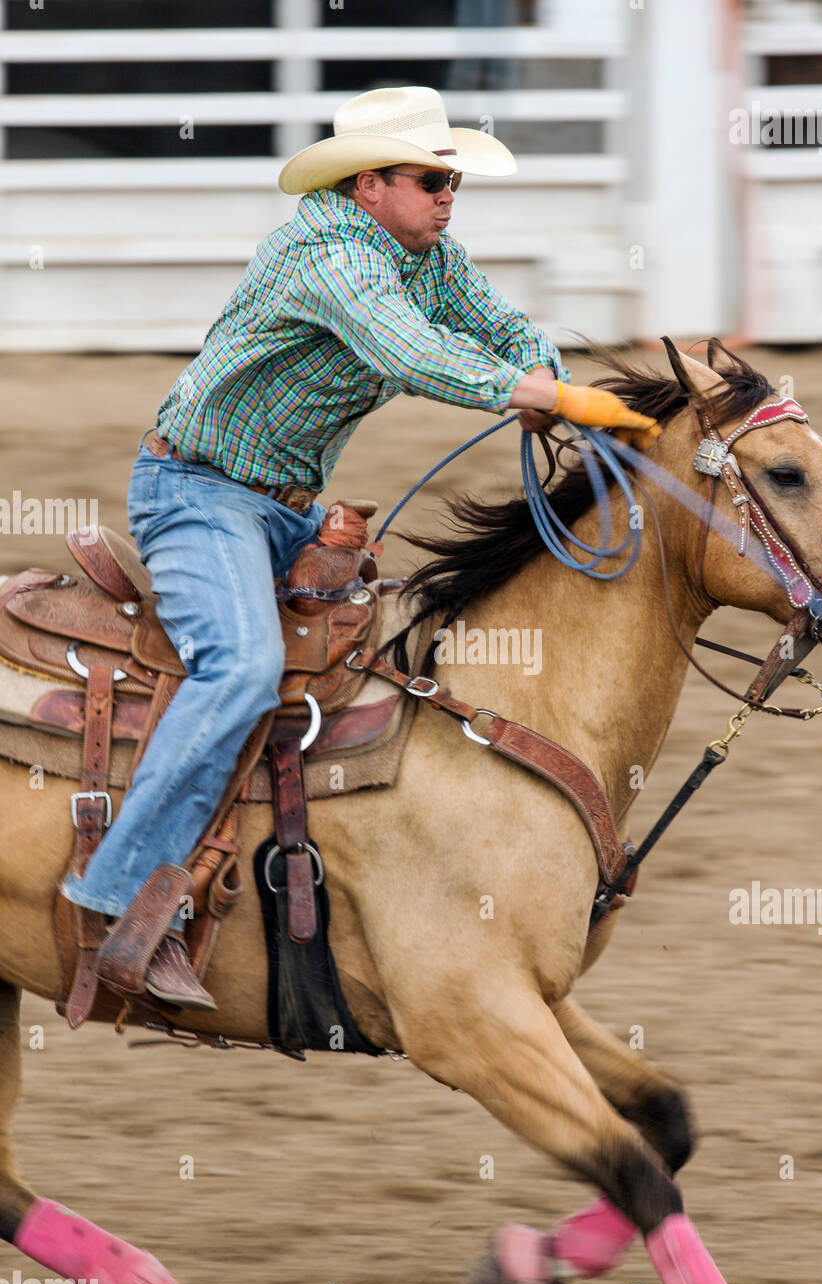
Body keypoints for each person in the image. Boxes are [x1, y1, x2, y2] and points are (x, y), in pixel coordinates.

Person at [58, 85, 658, 1011]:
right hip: (196, 496)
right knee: (243, 665)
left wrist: (557, 377)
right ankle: (117, 892)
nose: (448, 196)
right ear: (370, 184)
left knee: (379, 667)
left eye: (453, 180)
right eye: (431, 180)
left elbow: (495, 326)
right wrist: (548, 401)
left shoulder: (425, 253)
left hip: (285, 509)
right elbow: (409, 352)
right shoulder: (329, 252)